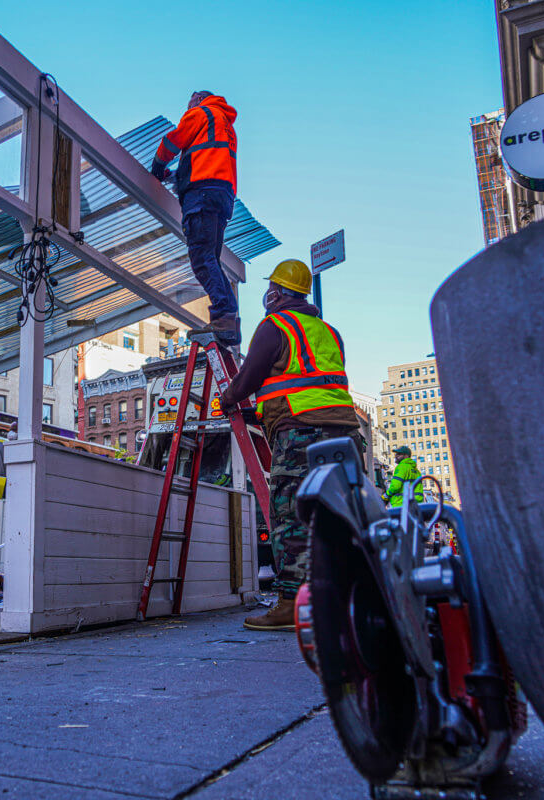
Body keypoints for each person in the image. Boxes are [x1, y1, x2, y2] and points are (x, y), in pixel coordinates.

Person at [218, 259, 360, 631]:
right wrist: (261, 414)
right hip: (344, 432)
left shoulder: (274, 325)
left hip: (301, 433)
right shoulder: (329, 332)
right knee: (340, 513)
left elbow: (250, 377)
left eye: (271, 289)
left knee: (293, 516)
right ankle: (343, 598)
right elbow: (307, 383)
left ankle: (292, 605)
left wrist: (228, 399)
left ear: (276, 293)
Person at [149, 90, 240, 345]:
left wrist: (157, 166)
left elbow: (173, 141)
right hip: (221, 196)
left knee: (201, 258)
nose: (186, 108)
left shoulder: (201, 113)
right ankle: (229, 319)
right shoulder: (224, 123)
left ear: (199, 99)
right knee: (211, 258)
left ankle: (223, 314)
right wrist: (176, 176)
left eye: (189, 103)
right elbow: (205, 159)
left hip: (201, 195)